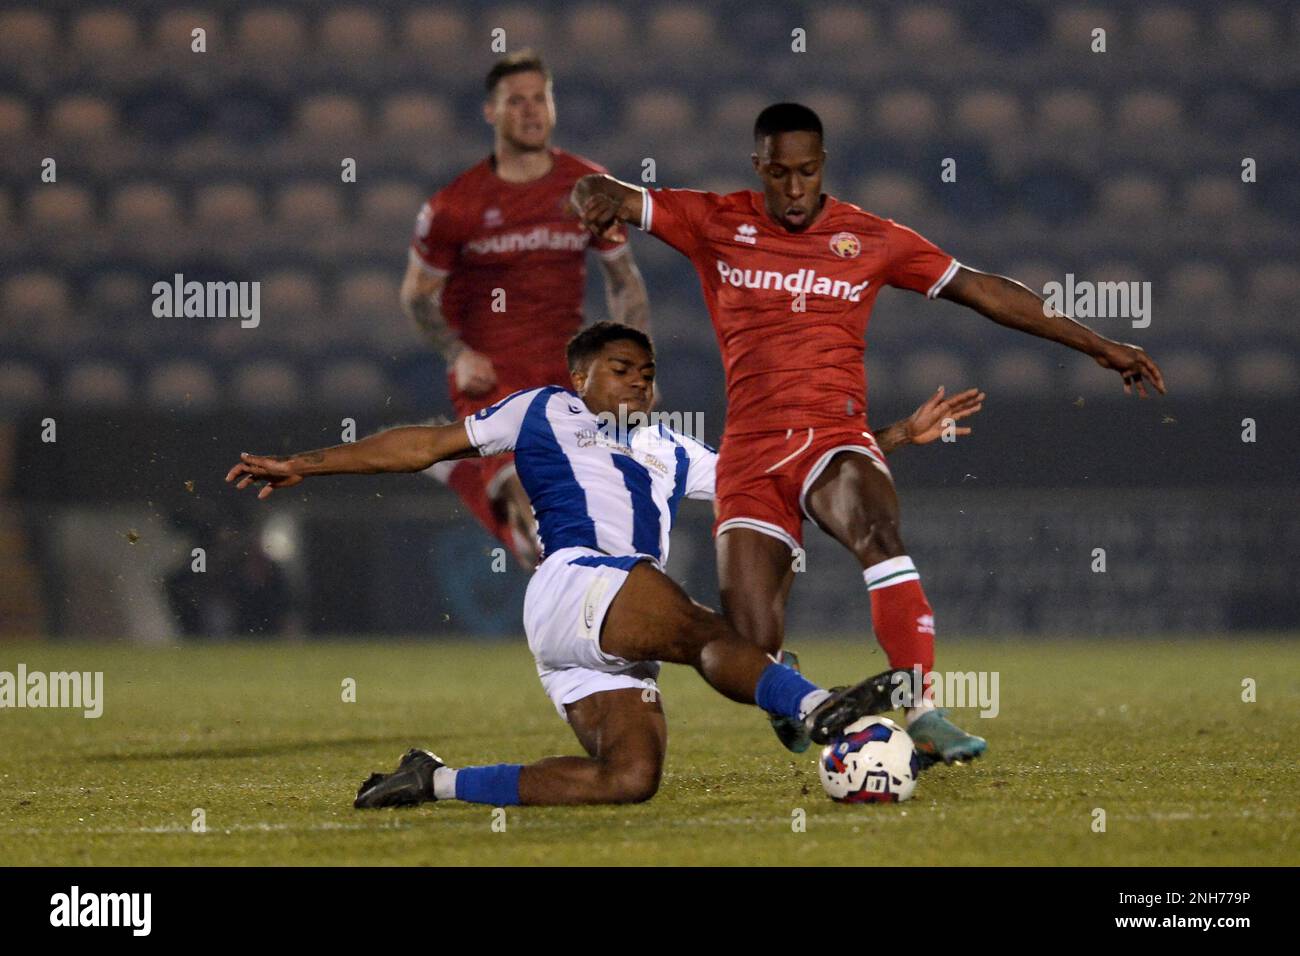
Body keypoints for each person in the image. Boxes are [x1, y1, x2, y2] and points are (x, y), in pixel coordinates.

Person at [570, 102, 1167, 763]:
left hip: (833, 436)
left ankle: (925, 709)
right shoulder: (714, 221)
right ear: (758, 167)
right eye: (779, 174)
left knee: (877, 531)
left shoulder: (870, 238)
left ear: (823, 165)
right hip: (751, 457)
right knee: (746, 648)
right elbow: (608, 191)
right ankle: (792, 685)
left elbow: (982, 289)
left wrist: (1096, 344)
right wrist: (591, 196)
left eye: (806, 172)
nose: (794, 190)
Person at [225, 323, 982, 807]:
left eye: (648, 373)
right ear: (581, 375)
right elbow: (421, 445)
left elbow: (785, 474)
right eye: (622, 369)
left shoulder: (669, 450)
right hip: (579, 582)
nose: (640, 384)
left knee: (629, 779)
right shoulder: (543, 410)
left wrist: (891, 438)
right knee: (697, 626)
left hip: (600, 635)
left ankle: (435, 780)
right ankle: (816, 708)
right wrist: (306, 463)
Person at [400, 51, 649, 568]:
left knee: (557, 541)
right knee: (539, 519)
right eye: (517, 101)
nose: (532, 111)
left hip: (567, 370)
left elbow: (624, 281)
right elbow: (417, 296)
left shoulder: (589, 188)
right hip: (491, 374)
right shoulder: (456, 206)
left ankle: (464, 475)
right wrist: (458, 353)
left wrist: (634, 364)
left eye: (541, 98)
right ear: (490, 112)